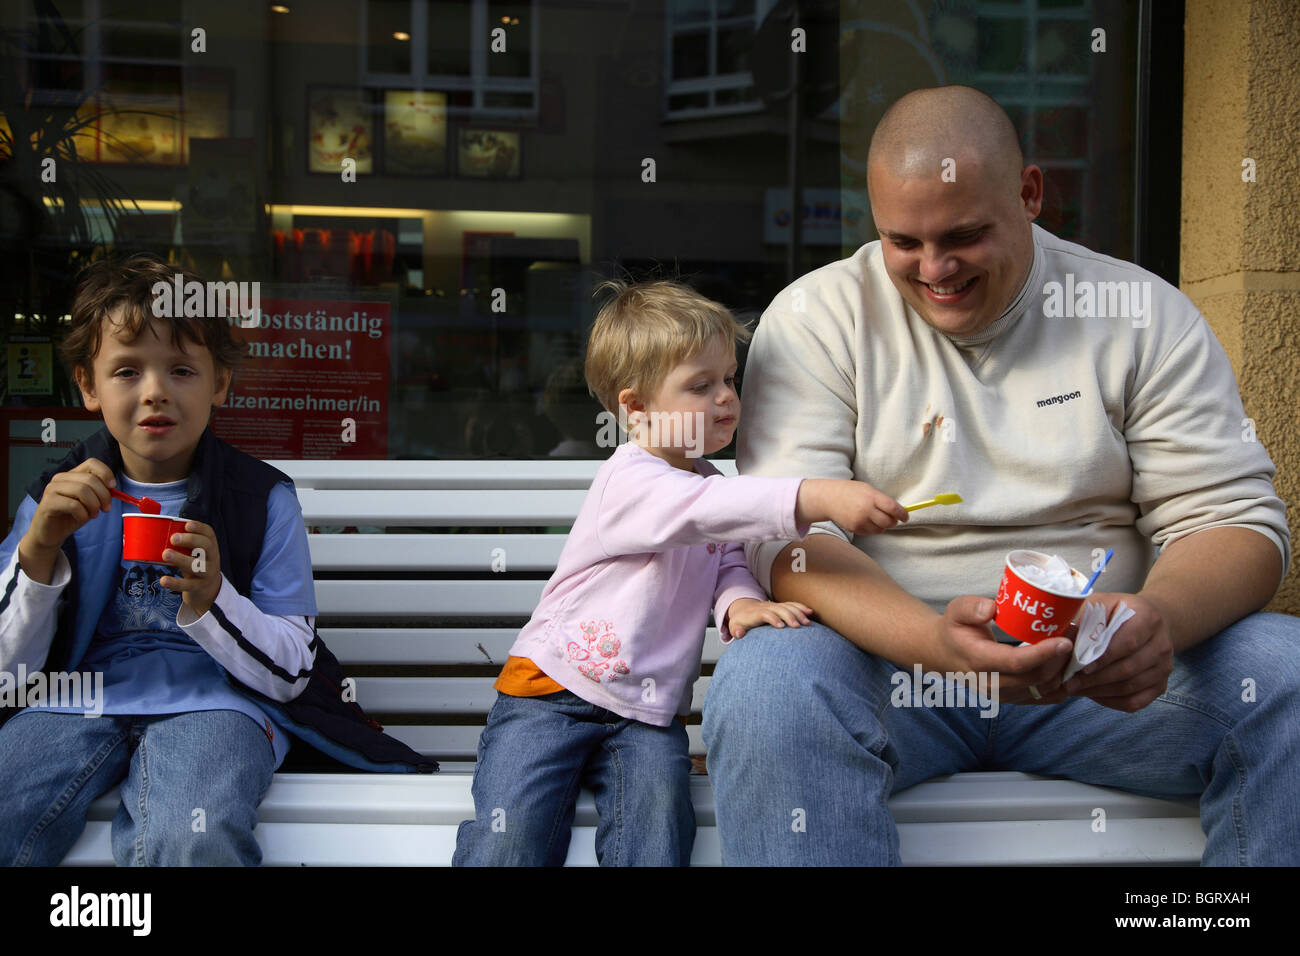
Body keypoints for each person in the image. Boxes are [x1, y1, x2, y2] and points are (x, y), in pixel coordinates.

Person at [702, 85, 1300, 866]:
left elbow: (1236, 521)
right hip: (888, 672)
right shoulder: (816, 319)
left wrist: (1159, 623)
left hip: (1100, 683)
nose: (935, 270)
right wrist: (934, 648)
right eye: (903, 242)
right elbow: (790, 540)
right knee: (768, 685)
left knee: (1286, 675)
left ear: (1030, 193)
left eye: (964, 236)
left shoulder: (1138, 313)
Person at [453, 279, 907, 866]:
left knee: (659, 837)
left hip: (645, 713)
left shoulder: (708, 484)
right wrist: (814, 496)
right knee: (509, 837)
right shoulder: (630, 480)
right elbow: (704, 516)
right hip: (552, 692)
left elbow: (725, 558)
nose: (726, 398)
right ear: (636, 407)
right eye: (701, 385)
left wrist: (738, 603)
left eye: (729, 380)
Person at [0, 254, 434, 867]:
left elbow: (292, 671)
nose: (155, 392)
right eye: (127, 371)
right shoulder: (55, 496)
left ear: (220, 383)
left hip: (219, 704)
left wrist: (214, 601)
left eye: (181, 369)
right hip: (75, 699)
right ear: (88, 385)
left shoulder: (262, 499)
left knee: (195, 837)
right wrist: (38, 552)